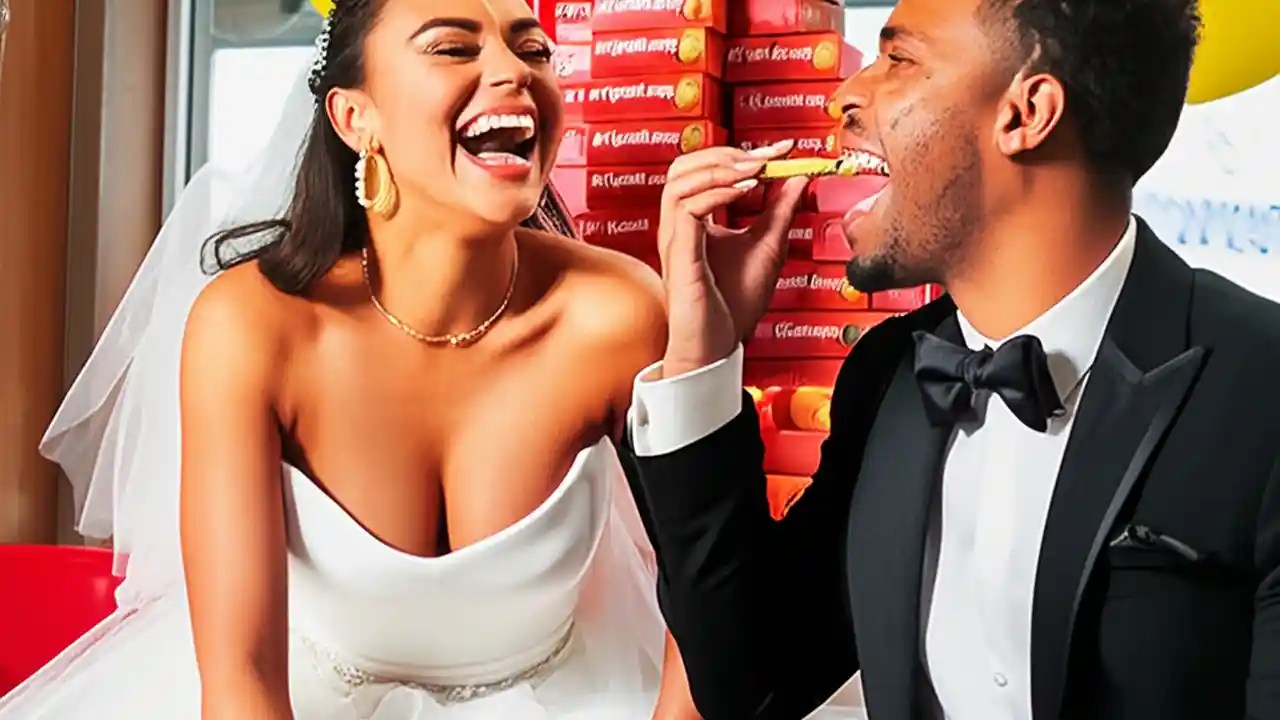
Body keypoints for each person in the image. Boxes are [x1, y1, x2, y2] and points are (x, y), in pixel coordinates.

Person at [0, 0, 708, 717]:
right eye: (453, 50)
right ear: (352, 118)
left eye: (533, 51)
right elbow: (242, 674)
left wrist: (709, 352)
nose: (513, 73)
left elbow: (708, 594)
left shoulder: (620, 312)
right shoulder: (252, 327)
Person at [622, 0, 1280, 719]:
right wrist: (702, 357)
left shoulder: (1262, 386)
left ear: (1026, 113)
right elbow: (749, 688)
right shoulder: (886, 374)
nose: (847, 92)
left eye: (898, 60)